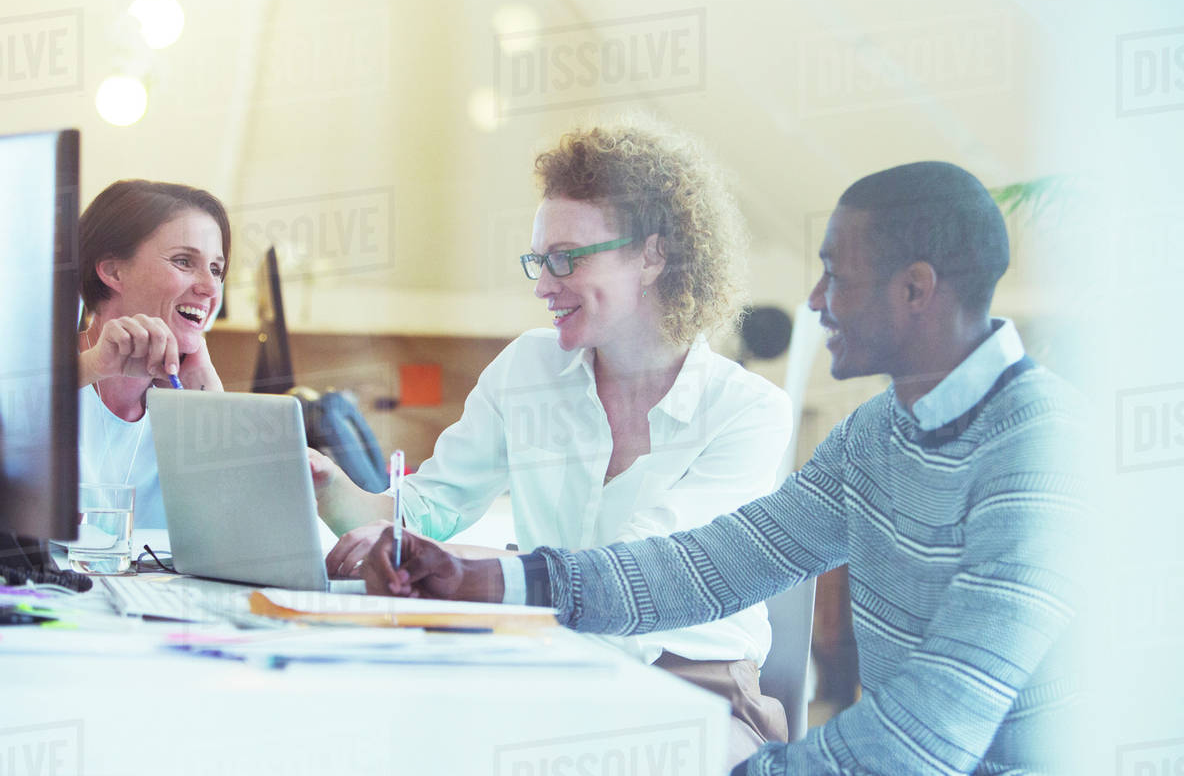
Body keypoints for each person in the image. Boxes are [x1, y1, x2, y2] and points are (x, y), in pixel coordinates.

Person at [360, 161, 1085, 776]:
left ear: (916, 290)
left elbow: (929, 729)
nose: (814, 301)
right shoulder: (875, 435)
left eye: (835, 275)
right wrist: (496, 580)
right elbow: (712, 565)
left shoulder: (1040, 450)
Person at [312, 117, 794, 757]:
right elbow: (428, 507)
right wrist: (329, 490)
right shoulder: (527, 370)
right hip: (542, 664)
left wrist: (468, 575)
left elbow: (642, 574)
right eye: (539, 260)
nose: (542, 284)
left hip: (691, 689)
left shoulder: (748, 411)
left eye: (565, 259)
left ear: (653, 255)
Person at [77, 180, 231, 529]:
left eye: (216, 269)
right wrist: (92, 366)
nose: (209, 288)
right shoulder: (31, 377)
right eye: (183, 261)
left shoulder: (190, 398)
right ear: (113, 270)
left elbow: (245, 533)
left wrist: (211, 403)